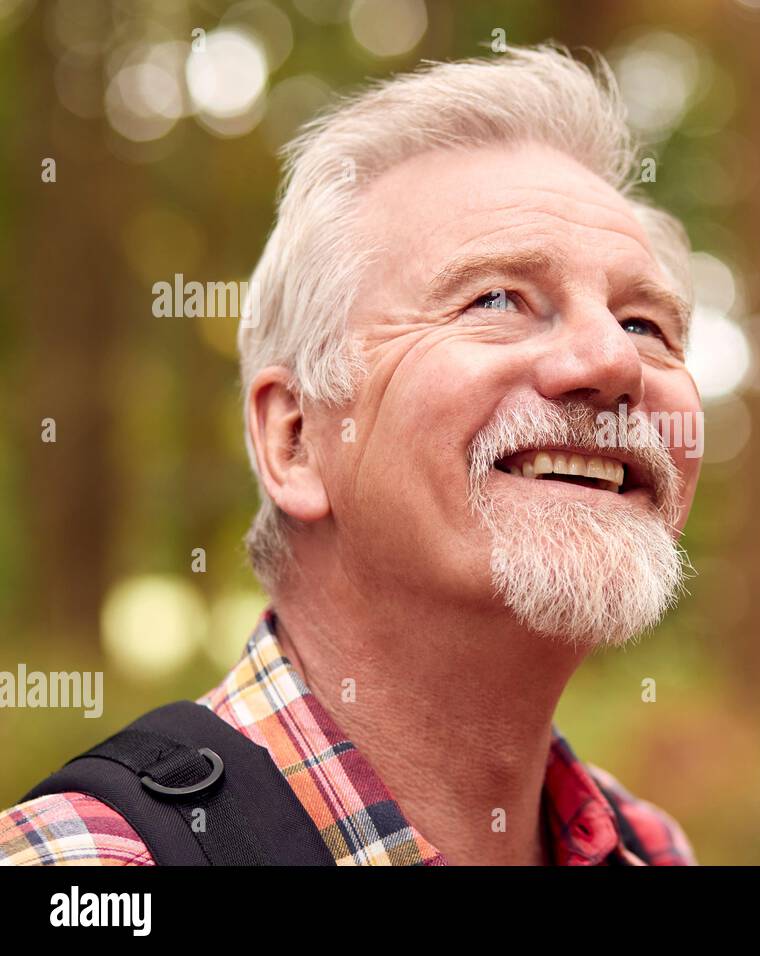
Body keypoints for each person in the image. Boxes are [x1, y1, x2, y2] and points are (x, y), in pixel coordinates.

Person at [0, 44, 701, 866]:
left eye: (644, 324)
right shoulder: (86, 864)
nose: (613, 363)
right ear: (295, 439)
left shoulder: (652, 848)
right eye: (498, 299)